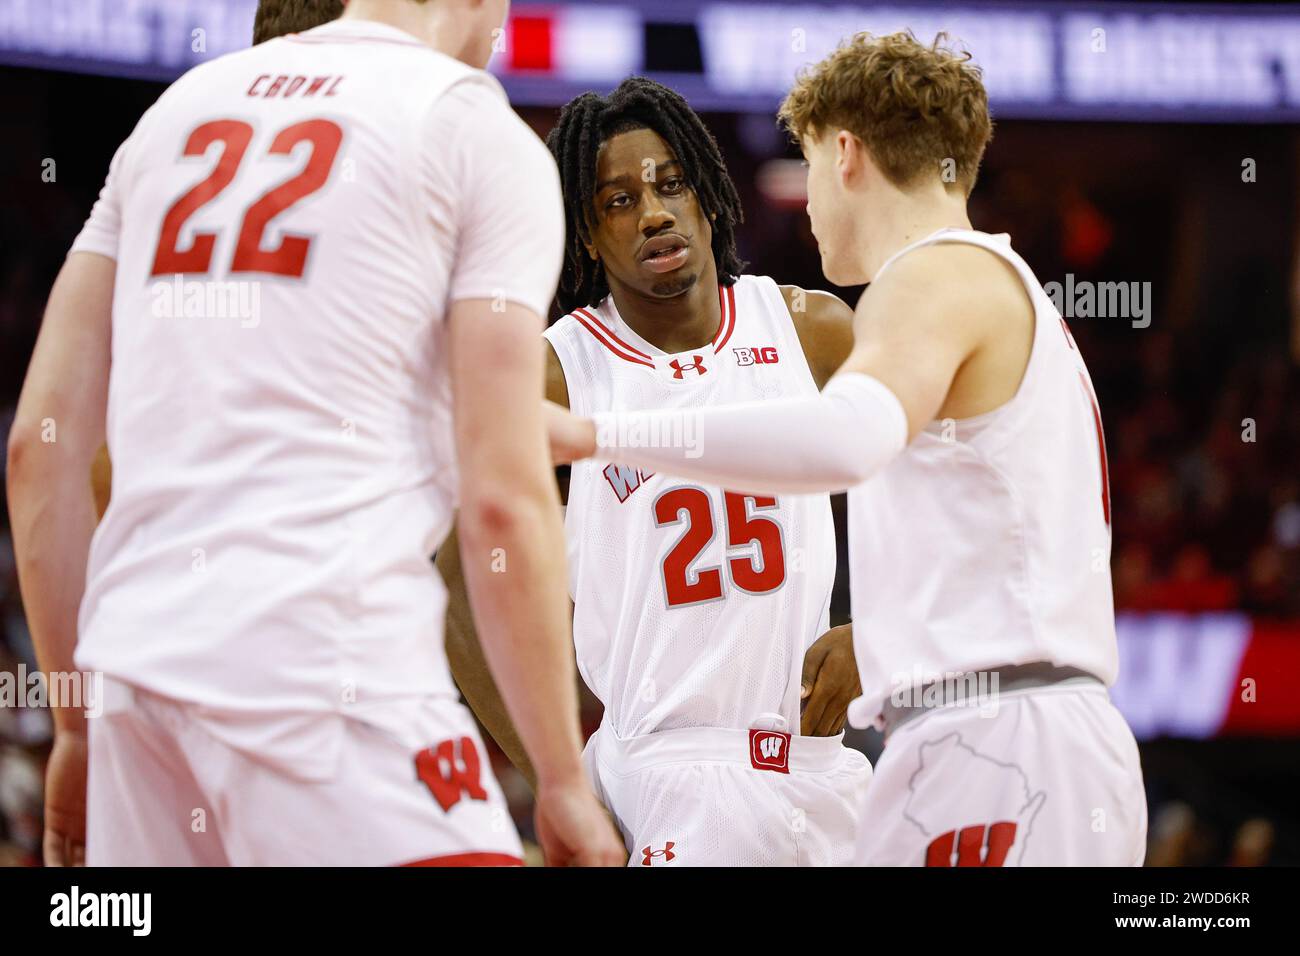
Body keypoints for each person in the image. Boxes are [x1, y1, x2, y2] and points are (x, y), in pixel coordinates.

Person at [7, 0, 623, 867]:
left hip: (135, 691)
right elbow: (501, 494)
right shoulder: (469, 125)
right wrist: (561, 776)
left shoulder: (175, 112)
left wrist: (75, 724)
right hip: (327, 678)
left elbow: (43, 449)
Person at [548, 32, 1148, 866]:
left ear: (846, 153)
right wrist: (879, 634)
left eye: (807, 165)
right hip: (987, 728)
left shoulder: (935, 276)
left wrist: (605, 432)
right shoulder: (994, 288)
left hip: (1002, 738)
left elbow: (845, 438)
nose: (808, 202)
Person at [440, 78, 872, 866]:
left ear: (708, 197)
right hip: (660, 774)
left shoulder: (813, 332)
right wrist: (555, 774)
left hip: (817, 764)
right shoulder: (554, 375)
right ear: (587, 238)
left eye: (671, 184)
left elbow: (948, 489)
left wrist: (883, 629)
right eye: (617, 201)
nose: (654, 212)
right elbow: (456, 577)